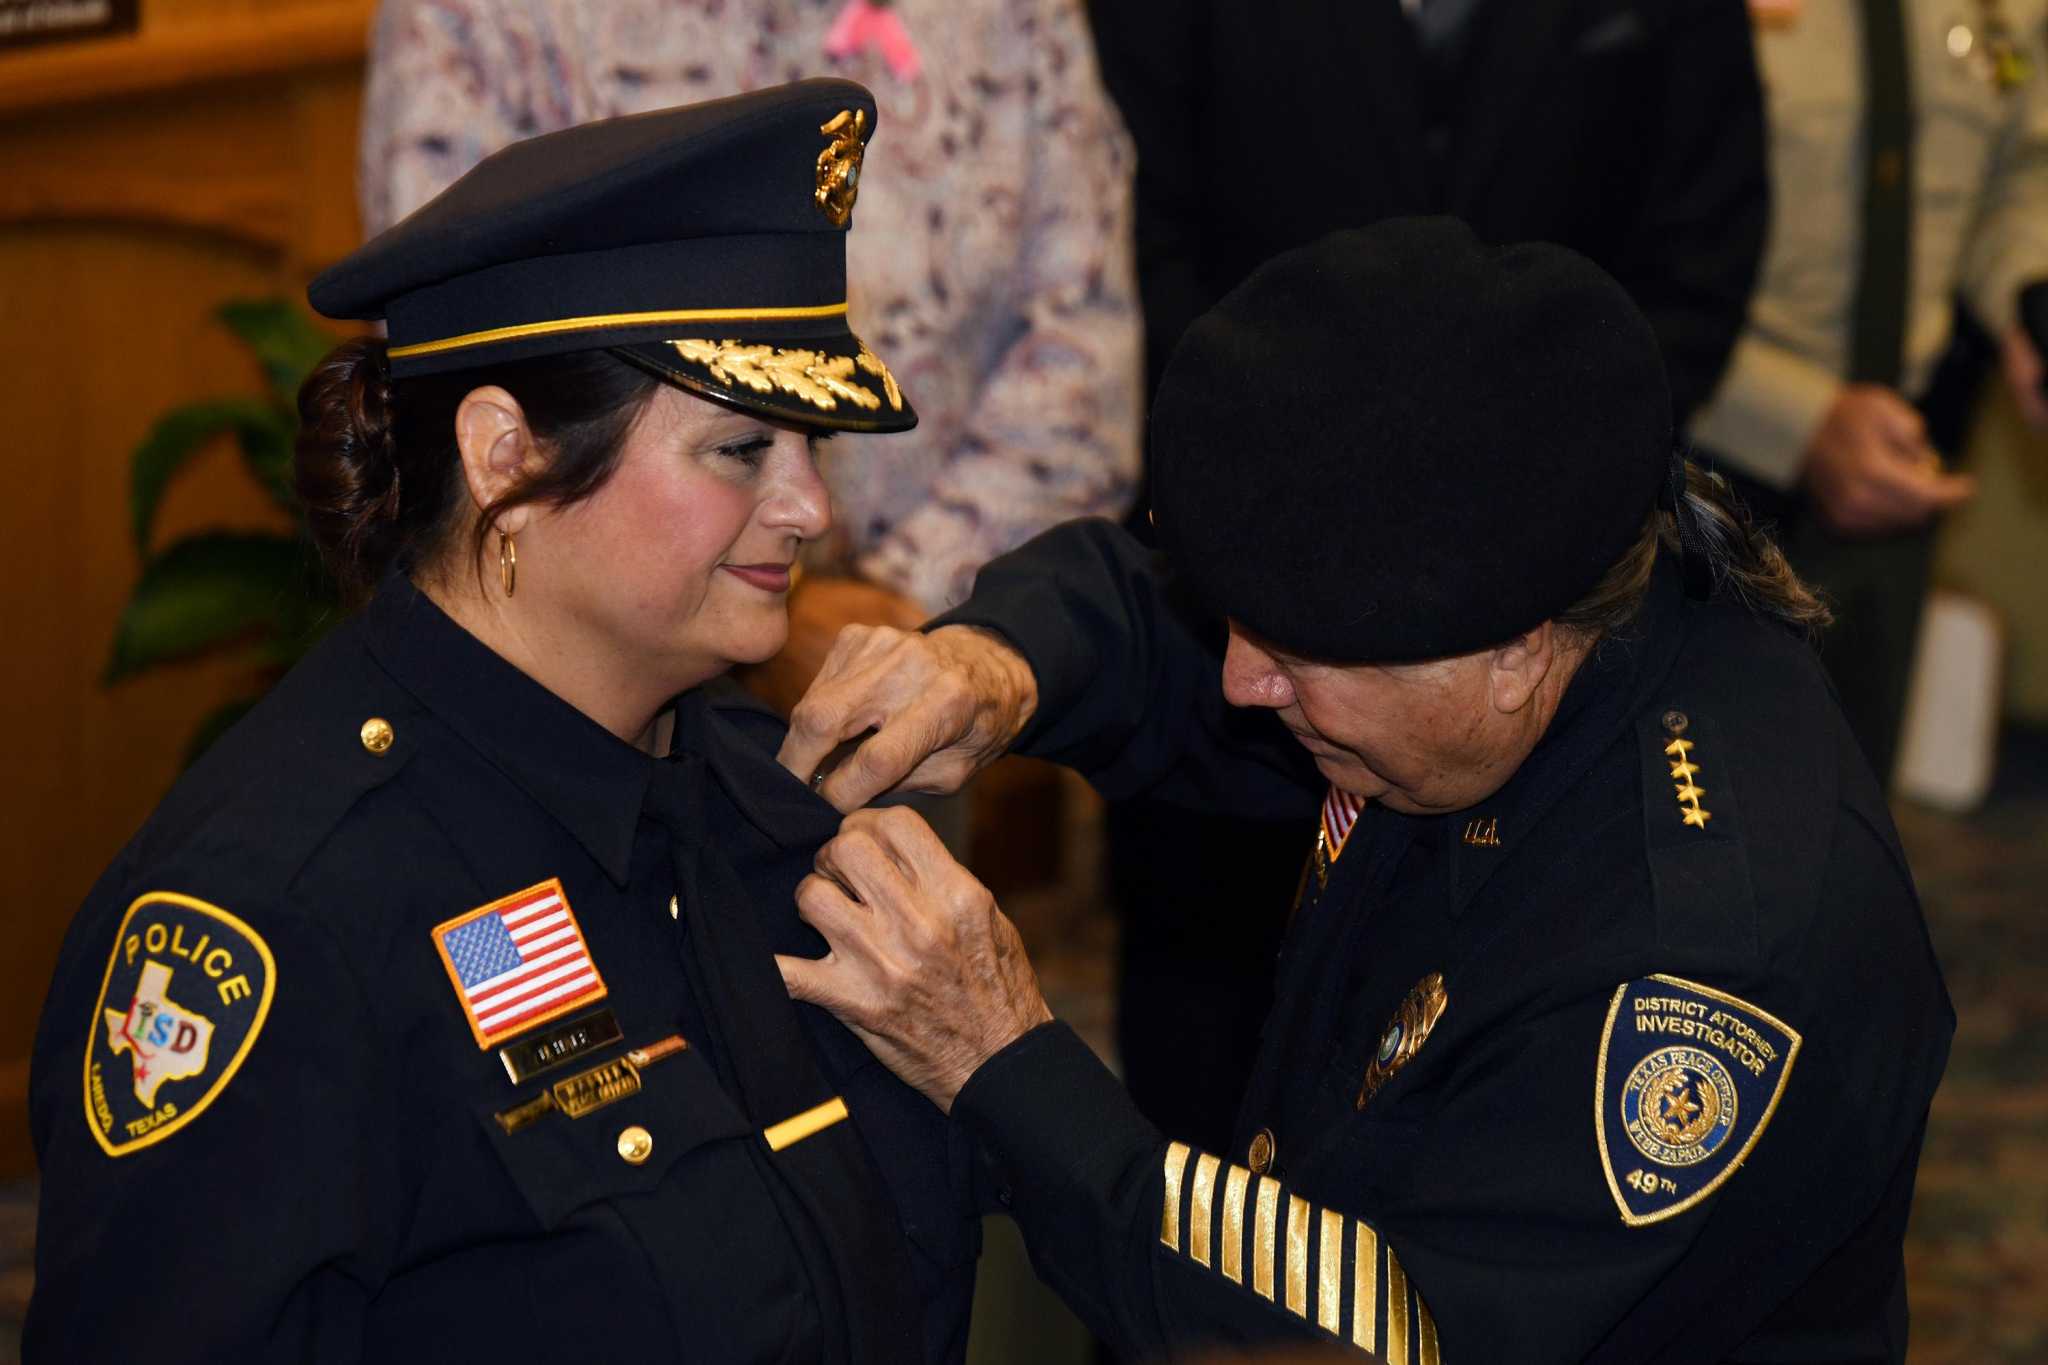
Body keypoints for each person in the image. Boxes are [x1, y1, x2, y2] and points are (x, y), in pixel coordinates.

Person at [774, 220, 1954, 1361]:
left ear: (1514, 650)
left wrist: (999, 1059)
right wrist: (996, 665)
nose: (1243, 682)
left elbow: (1375, 1332)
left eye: (1292, 652)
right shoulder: (1499, 622)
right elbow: (1169, 617)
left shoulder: (1691, 956)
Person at [26, 82, 981, 1364]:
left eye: (808, 445)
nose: (810, 506)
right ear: (505, 459)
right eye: (742, 449)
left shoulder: (756, 794)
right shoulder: (288, 911)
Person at [1084, 0, 1773, 1155]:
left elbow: (1700, 239)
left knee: (1495, 1089)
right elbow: (1130, 228)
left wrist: (1524, 515)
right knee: (1200, 1071)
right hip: (1238, 583)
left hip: (1528, 624)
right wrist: (1261, 497)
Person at [358, 0, 1142, 705]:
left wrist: (902, 609)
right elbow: (457, 330)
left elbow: (1081, 351)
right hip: (570, 672)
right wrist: (780, 609)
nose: (812, 507)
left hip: (915, 650)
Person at [1689, 0, 2048, 786]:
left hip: (1901, 472)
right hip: (1691, 479)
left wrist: (2028, 294)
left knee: (1846, 811)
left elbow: (2021, 168)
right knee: (1686, 823)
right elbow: (1604, 229)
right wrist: (1797, 425)